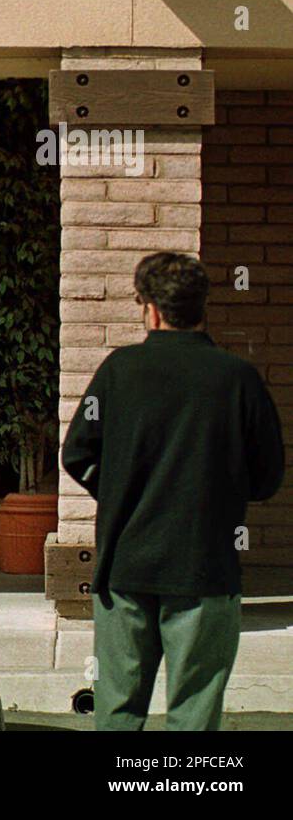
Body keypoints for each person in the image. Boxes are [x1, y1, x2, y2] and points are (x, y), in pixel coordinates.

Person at [61, 251, 285, 730]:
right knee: (195, 712)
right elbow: (268, 478)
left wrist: (123, 490)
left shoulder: (118, 371)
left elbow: (76, 454)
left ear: (151, 310)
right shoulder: (238, 380)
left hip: (126, 569)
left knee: (118, 709)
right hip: (206, 569)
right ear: (201, 307)